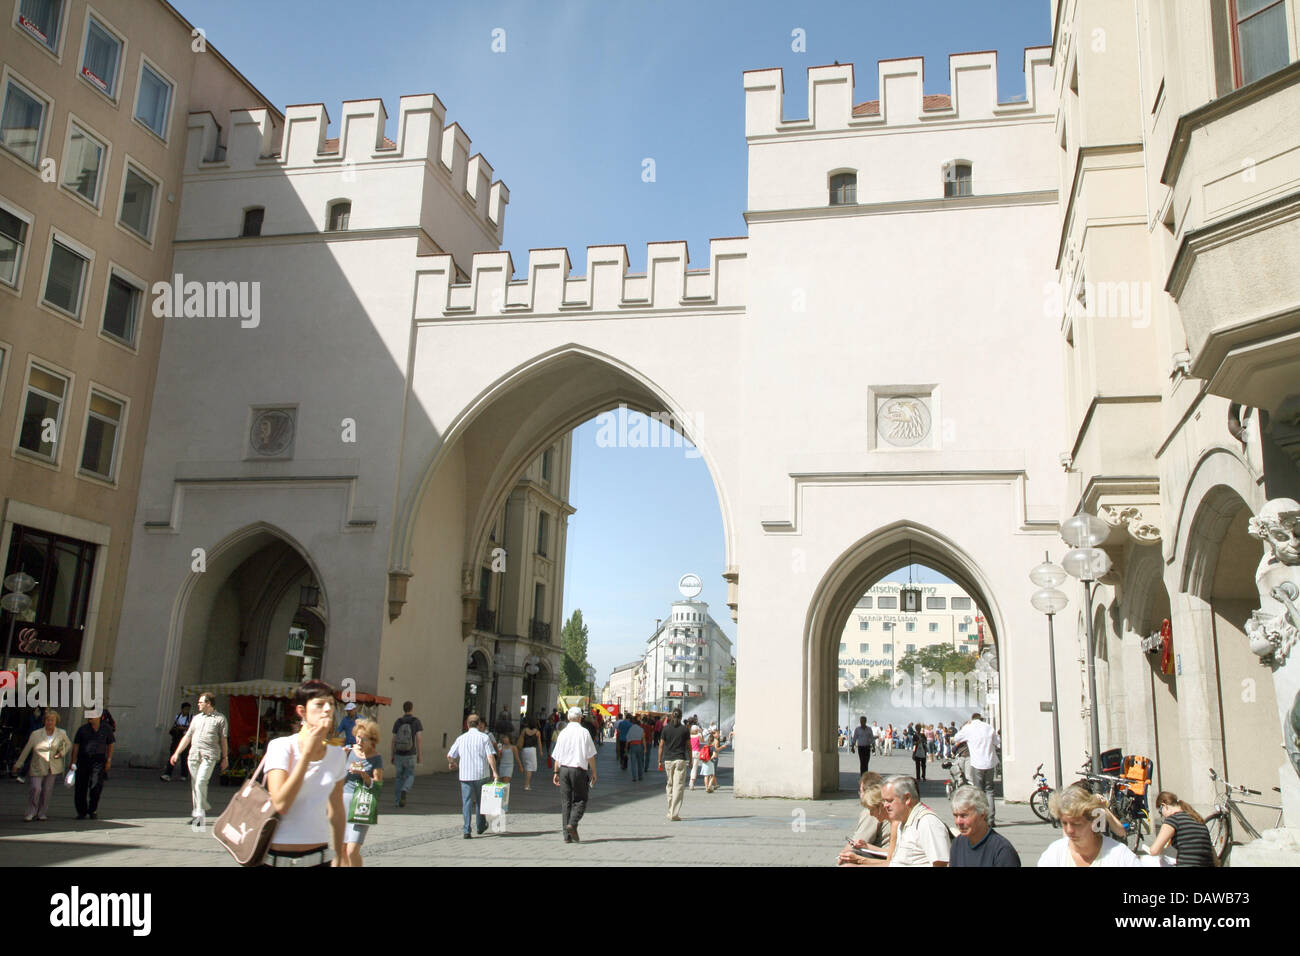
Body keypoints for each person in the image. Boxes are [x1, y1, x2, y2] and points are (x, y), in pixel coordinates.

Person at [264, 679, 350, 867]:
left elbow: (336, 810)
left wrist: (339, 855)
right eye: (319, 704)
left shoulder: (336, 755)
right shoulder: (281, 747)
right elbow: (280, 804)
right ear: (302, 711)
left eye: (331, 704)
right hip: (278, 857)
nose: (327, 709)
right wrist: (306, 757)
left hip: (319, 856)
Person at [1037, 784, 1143, 867]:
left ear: (1093, 821)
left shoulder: (1120, 855)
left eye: (1076, 824)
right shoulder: (1054, 853)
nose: (1069, 830)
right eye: (1064, 823)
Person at [168, 691, 229, 821]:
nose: (198, 704)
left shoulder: (220, 719)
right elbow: (188, 736)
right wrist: (177, 753)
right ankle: (199, 810)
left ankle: (200, 813)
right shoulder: (196, 718)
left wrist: (225, 758)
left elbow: (223, 739)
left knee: (201, 781)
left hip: (209, 755)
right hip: (194, 755)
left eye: (201, 702)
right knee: (196, 784)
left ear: (208, 703)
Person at [447, 713, 499, 839]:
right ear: (479, 724)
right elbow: (490, 756)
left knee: (467, 802)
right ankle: (480, 826)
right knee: (482, 802)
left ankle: (466, 830)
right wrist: (495, 771)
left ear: (467, 724)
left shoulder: (461, 738)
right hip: (481, 774)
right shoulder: (484, 738)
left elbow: (450, 755)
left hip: (465, 775)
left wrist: (452, 763)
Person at [551, 705, 598, 842]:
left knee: (566, 802)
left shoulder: (563, 732)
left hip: (564, 769)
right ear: (580, 718)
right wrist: (594, 772)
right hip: (578, 770)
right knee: (581, 799)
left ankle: (567, 836)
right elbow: (590, 755)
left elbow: (557, 755)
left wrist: (556, 772)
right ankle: (572, 823)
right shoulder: (584, 732)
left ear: (568, 717)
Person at [881, 775, 949, 867]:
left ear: (907, 798)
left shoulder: (927, 822)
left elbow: (941, 864)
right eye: (884, 801)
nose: (885, 805)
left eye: (889, 800)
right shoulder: (903, 822)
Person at [15, 709, 70, 822]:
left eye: (52, 720)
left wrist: (61, 753)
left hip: (52, 766)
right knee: (36, 788)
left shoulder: (61, 733)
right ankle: (31, 811)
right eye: (48, 720)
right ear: (44, 721)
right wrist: (18, 764)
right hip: (37, 765)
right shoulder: (36, 734)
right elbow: (27, 749)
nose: (50, 722)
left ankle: (42, 812)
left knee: (47, 790)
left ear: (56, 721)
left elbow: (68, 745)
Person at [342, 718, 384, 866]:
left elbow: (377, 784)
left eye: (364, 739)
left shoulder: (376, 758)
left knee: (352, 850)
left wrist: (364, 774)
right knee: (342, 849)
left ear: (372, 740)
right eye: (358, 736)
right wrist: (339, 758)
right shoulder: (349, 751)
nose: (359, 741)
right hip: (343, 802)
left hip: (362, 804)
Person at [950, 786, 1020, 867]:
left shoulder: (1003, 851)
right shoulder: (958, 844)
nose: (958, 822)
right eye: (955, 815)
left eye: (964, 816)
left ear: (982, 814)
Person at [837, 773, 894, 866]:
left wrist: (860, 860)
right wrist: (866, 847)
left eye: (860, 791)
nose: (871, 813)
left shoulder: (895, 822)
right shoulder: (894, 821)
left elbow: (892, 861)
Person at [1147, 790, 1215, 866]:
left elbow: (1154, 851)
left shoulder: (1172, 820)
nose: (1162, 815)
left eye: (1160, 812)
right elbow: (1213, 855)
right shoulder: (1198, 819)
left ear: (1164, 806)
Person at [953, 713, 998, 826]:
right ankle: (991, 819)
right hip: (990, 762)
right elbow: (997, 742)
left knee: (979, 792)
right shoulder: (988, 727)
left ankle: (981, 818)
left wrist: (966, 726)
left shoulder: (969, 728)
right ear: (981, 719)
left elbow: (956, 738)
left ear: (972, 719)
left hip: (977, 763)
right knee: (990, 790)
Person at [70, 712, 115, 821]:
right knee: (81, 786)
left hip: (98, 761)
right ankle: (81, 811)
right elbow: (76, 745)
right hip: (83, 760)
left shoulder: (106, 729)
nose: (90, 717)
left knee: (96, 786)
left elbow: (110, 744)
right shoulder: (82, 729)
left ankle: (92, 810)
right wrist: (73, 761)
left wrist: (109, 760)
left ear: (99, 716)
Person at [659, 708, 690, 821]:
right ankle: (674, 813)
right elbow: (689, 747)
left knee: (670, 785)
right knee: (679, 786)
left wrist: (659, 760)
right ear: (681, 717)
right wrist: (691, 760)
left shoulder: (666, 729)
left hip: (668, 760)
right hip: (680, 760)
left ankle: (670, 810)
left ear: (671, 716)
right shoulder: (685, 730)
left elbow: (661, 746)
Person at [390, 700, 422, 808]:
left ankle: (396, 801)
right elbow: (419, 738)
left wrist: (392, 754)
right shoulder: (416, 721)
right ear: (412, 709)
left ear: (403, 709)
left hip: (398, 753)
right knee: (410, 775)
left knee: (399, 777)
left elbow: (393, 739)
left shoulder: (398, 721)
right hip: (410, 753)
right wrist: (419, 754)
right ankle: (405, 789)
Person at [160, 703, 192, 782]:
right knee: (172, 755)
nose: (187, 711)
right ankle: (168, 774)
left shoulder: (191, 717)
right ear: (182, 709)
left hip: (185, 738)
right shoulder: (178, 716)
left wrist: (183, 728)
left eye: (188, 709)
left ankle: (184, 775)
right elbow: (174, 725)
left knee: (184, 757)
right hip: (176, 738)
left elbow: (191, 728)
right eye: (185, 709)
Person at [517, 717, 542, 790]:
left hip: (524, 750)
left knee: (526, 766)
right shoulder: (537, 732)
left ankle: (526, 783)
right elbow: (539, 743)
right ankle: (527, 785)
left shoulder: (524, 730)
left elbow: (520, 739)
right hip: (532, 750)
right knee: (530, 768)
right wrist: (540, 751)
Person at [625, 714, 645, 782]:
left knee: (633, 763)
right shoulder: (641, 729)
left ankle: (634, 777)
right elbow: (643, 739)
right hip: (639, 745)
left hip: (632, 746)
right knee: (640, 762)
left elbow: (627, 739)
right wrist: (645, 748)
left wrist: (626, 748)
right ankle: (640, 776)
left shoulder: (631, 729)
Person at [688, 722, 703, 790]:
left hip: (690, 752)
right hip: (697, 752)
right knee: (694, 768)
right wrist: (701, 732)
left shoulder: (689, 736)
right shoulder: (698, 735)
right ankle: (691, 782)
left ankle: (691, 781)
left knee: (692, 767)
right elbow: (702, 741)